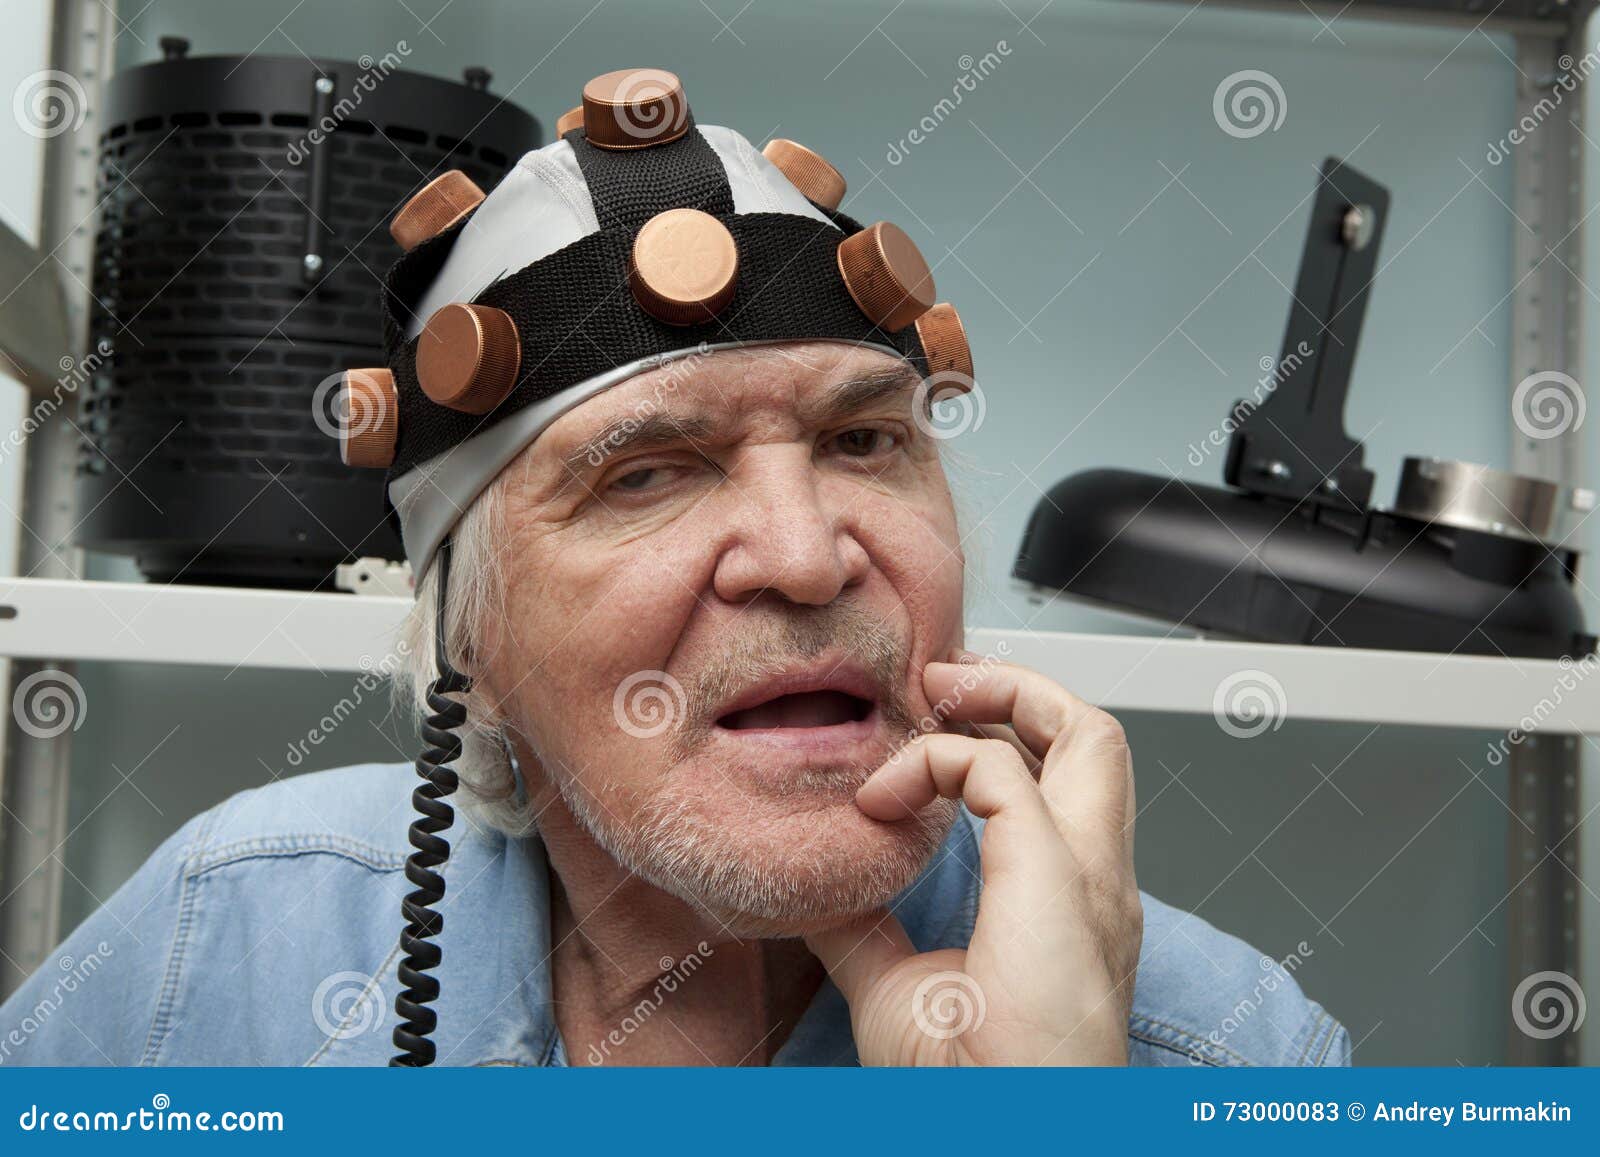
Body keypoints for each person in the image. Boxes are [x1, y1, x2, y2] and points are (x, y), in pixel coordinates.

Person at [0, 70, 1347, 1068]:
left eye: (864, 441)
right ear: (473, 635)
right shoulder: (212, 954)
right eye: (644, 472)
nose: (809, 556)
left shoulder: (1232, 1049)